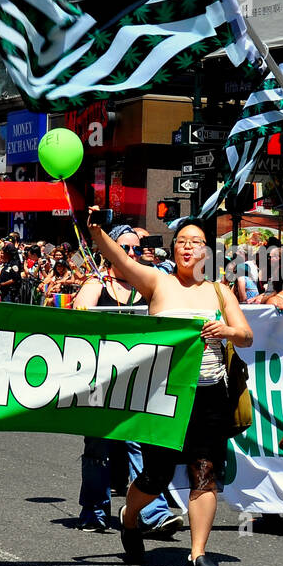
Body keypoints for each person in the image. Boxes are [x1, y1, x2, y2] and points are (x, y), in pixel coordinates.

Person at [87, 212, 253, 566]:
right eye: (181, 241)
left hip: (209, 395)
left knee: (204, 473)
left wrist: (225, 329)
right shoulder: (157, 283)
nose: (188, 246)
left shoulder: (219, 291)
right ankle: (130, 518)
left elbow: (246, 335)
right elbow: (121, 260)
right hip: (163, 396)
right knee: (156, 475)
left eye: (195, 241)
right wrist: (97, 231)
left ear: (207, 252)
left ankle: (197, 553)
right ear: (173, 249)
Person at [72, 224, 183, 536]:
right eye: (125, 247)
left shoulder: (150, 284)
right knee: (98, 447)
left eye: (136, 248)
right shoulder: (97, 283)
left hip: (139, 381)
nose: (131, 254)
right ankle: (93, 510)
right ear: (111, 250)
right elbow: (79, 317)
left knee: (140, 445)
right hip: (100, 381)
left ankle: (152, 512)